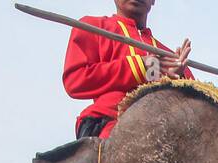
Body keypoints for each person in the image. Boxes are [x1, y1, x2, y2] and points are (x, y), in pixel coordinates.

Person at [63, 0, 192, 140]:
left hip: (161, 128)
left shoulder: (169, 55)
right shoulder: (93, 27)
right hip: (109, 123)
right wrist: (140, 66)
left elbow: (195, 106)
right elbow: (76, 80)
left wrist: (175, 80)